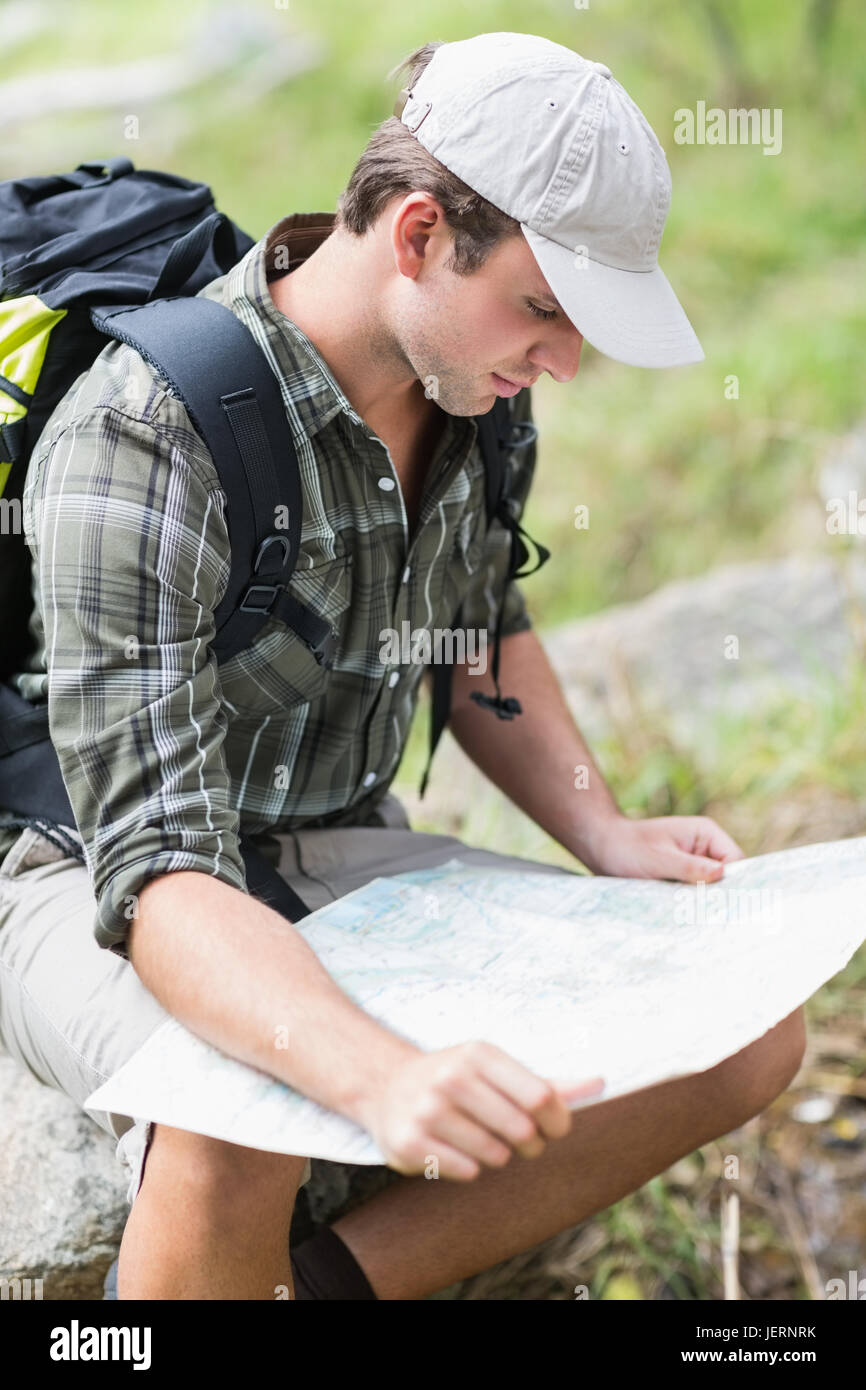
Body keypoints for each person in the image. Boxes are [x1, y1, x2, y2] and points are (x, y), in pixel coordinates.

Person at [0, 32, 804, 1301]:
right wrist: (376, 1072)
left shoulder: (473, 384)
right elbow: (158, 874)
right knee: (250, 1109)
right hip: (93, 867)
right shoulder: (141, 438)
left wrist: (603, 831)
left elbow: (479, 628)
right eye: (545, 308)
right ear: (420, 233)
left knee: (745, 1016)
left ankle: (323, 1290)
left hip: (339, 837)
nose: (563, 363)